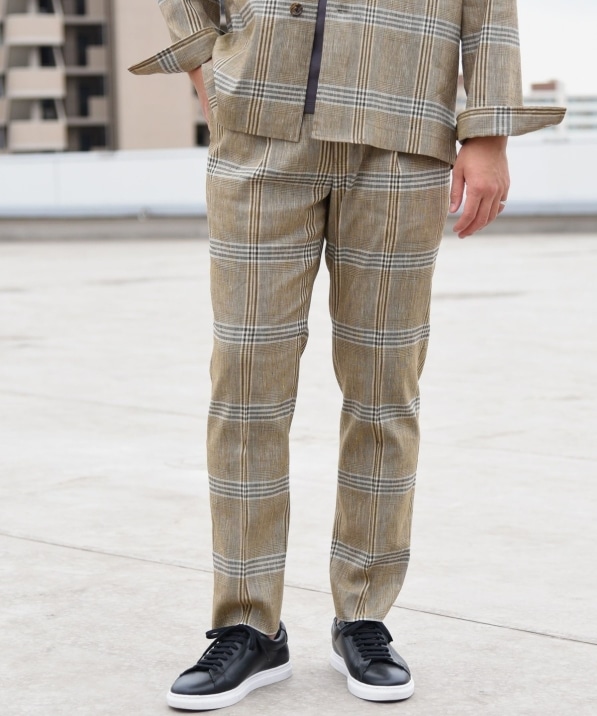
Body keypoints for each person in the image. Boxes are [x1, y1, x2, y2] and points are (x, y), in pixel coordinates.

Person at [130, 0, 564, 709]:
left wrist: (488, 133)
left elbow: (489, 10)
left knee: (383, 389)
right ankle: (247, 625)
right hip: (260, 125)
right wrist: (207, 66)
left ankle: (363, 615)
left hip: (402, 125)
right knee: (244, 385)